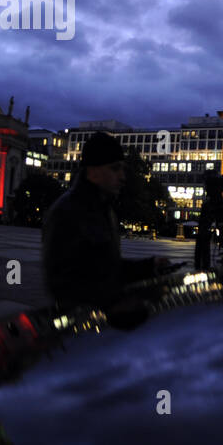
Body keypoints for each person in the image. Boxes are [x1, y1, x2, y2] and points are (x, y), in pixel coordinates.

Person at [41, 131, 166, 328]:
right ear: (93, 170)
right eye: (115, 169)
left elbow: (105, 267)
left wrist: (149, 266)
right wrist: (111, 303)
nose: (123, 177)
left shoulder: (105, 209)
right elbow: (60, 282)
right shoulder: (66, 211)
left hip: (100, 324)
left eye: (123, 170)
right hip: (81, 328)